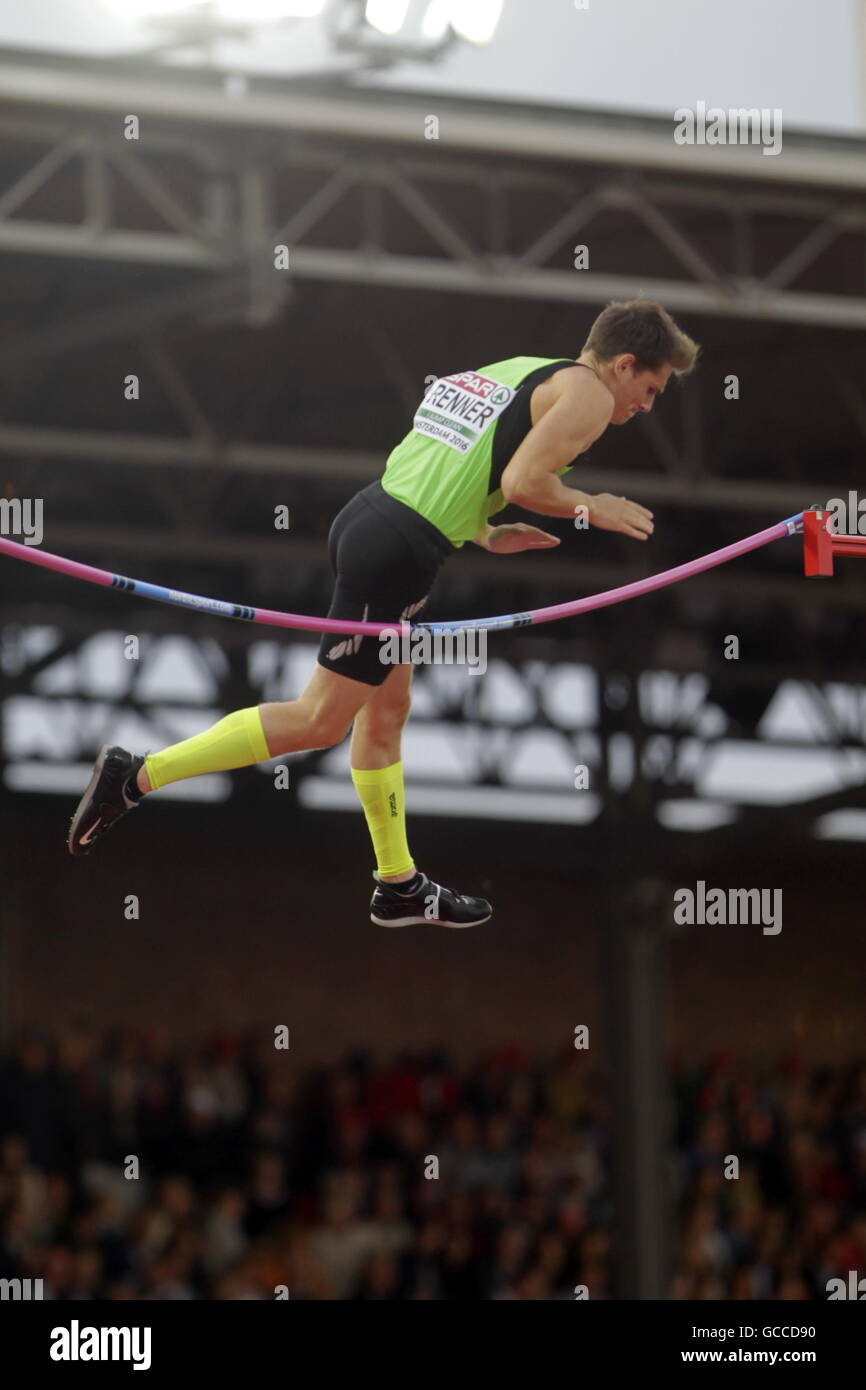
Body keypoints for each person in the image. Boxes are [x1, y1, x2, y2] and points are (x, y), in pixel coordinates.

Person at [67, 298, 699, 927]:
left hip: (374, 518)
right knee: (319, 721)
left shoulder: (522, 370)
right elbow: (526, 482)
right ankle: (136, 776)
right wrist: (595, 506)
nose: (646, 405)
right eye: (650, 387)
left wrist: (482, 529)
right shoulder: (587, 396)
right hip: (399, 553)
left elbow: (457, 461)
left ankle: (398, 884)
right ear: (622, 364)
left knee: (388, 708)